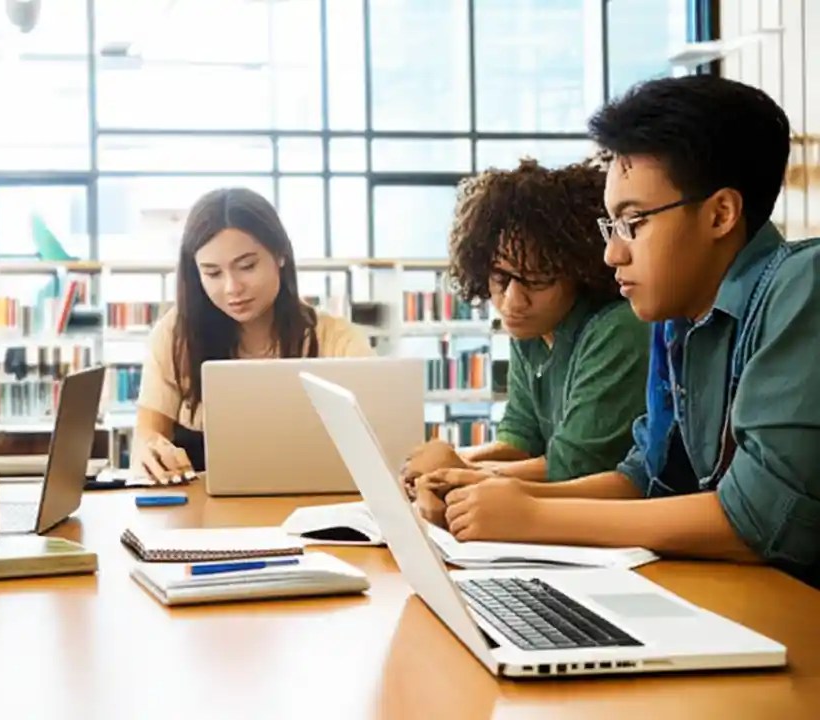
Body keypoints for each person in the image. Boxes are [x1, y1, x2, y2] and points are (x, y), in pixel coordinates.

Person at [439, 75, 820, 589]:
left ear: (721, 214)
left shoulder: (803, 287)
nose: (611, 253)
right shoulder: (677, 319)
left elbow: (759, 520)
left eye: (633, 222)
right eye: (611, 227)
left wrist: (533, 519)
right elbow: (646, 477)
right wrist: (484, 499)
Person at [401, 160, 650, 521]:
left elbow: (572, 466)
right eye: (501, 276)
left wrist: (460, 471)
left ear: (580, 273)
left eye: (537, 280)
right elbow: (520, 440)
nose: (513, 301)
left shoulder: (618, 329)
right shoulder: (531, 330)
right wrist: (453, 463)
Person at [131, 187, 374, 484]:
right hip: (199, 518)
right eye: (212, 273)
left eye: (247, 266)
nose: (232, 288)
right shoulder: (175, 336)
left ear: (280, 255)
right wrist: (150, 451)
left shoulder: (334, 338)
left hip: (311, 512)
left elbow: (380, 438)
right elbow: (148, 436)